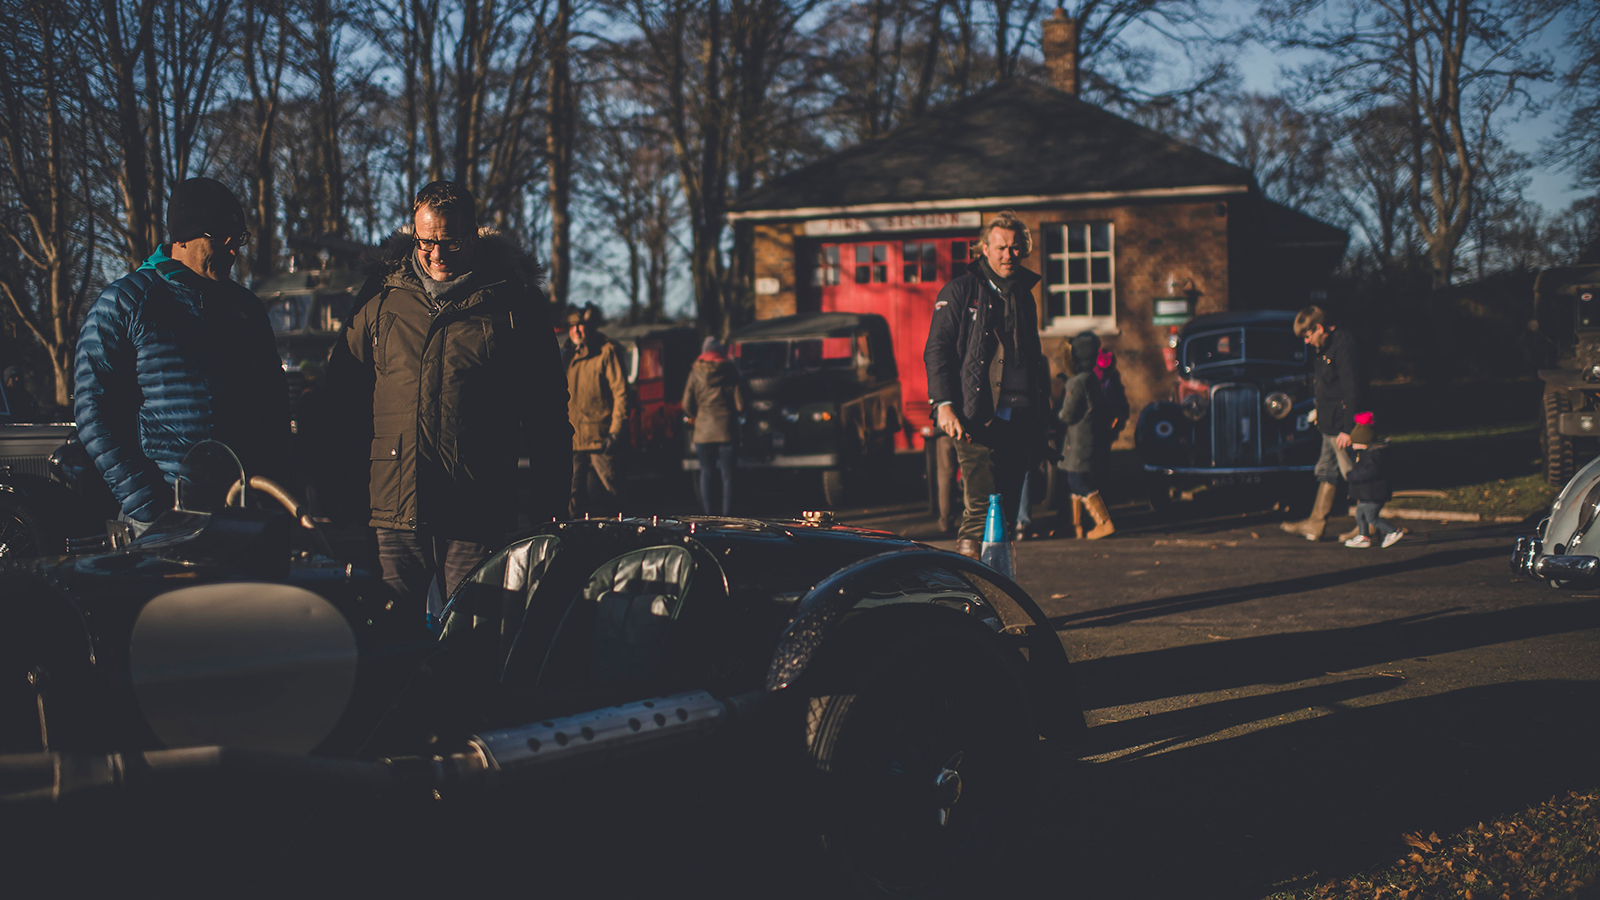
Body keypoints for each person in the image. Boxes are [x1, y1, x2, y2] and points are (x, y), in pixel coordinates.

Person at [328, 180, 570, 614]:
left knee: (471, 641)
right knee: (392, 640)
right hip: (394, 507)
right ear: (414, 234)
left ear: (474, 234)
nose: (438, 255)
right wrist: (337, 490)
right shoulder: (381, 299)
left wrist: (549, 506)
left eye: (452, 242)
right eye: (427, 242)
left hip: (475, 509)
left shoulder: (515, 305)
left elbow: (547, 413)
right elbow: (342, 398)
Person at [74, 177, 289, 534]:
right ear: (183, 237)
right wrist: (145, 503)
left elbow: (275, 406)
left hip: (245, 514)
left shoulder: (246, 309)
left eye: (238, 239)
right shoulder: (127, 303)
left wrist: (274, 491)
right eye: (221, 238)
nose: (233, 250)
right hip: (163, 518)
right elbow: (93, 409)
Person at [925, 211, 1052, 558]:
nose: (1007, 255)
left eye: (1014, 248)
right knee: (982, 505)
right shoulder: (961, 291)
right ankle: (970, 586)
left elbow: (1034, 357)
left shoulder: (1024, 296)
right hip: (975, 414)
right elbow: (936, 350)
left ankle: (999, 583)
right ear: (983, 248)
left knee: (1007, 511)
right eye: (1000, 248)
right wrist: (943, 404)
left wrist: (1043, 416)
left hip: (1020, 416)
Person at [1281, 305, 1364, 541]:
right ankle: (1315, 524)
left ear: (1319, 328)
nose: (1307, 342)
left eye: (1308, 336)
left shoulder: (1344, 345)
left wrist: (1349, 429)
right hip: (1329, 425)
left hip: (1341, 428)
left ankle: (1367, 526)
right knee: (1326, 472)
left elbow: (1352, 390)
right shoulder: (1325, 346)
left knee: (1354, 474)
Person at [565, 303, 629, 517]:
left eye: (581, 326)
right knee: (571, 497)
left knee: (611, 494)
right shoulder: (567, 356)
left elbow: (620, 392)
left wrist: (615, 431)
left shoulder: (606, 351)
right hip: (573, 438)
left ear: (590, 327)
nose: (576, 331)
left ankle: (619, 539)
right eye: (572, 326)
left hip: (601, 438)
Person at [1057, 332, 1115, 539]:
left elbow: (1067, 414)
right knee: (1075, 482)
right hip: (1091, 436)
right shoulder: (1091, 378)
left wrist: (1055, 412)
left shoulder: (1076, 382)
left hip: (1078, 441)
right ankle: (1077, 526)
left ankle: (1104, 522)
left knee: (1077, 481)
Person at [682, 336, 745, 515]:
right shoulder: (730, 369)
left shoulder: (695, 371)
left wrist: (698, 416)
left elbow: (686, 404)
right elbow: (740, 403)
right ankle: (727, 515)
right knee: (728, 476)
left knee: (706, 473)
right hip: (726, 430)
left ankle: (709, 514)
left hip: (703, 431)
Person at [1344, 412, 1403, 548]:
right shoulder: (1365, 453)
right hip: (1367, 494)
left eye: (1355, 443)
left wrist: (1353, 475)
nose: (1352, 446)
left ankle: (1393, 531)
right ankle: (1363, 536)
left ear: (1363, 442)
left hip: (1375, 494)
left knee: (1371, 517)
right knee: (1360, 514)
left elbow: (1370, 471)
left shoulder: (1374, 455)